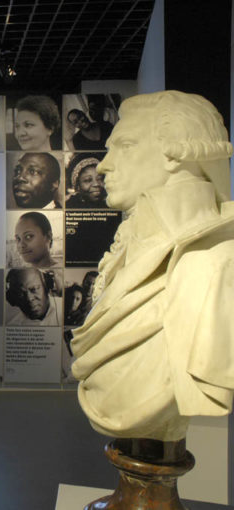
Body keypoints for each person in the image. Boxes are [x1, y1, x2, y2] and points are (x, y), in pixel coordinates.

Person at [71, 91, 234, 442]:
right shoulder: (129, 246)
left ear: (175, 154)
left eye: (124, 146)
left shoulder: (218, 264)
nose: (103, 165)